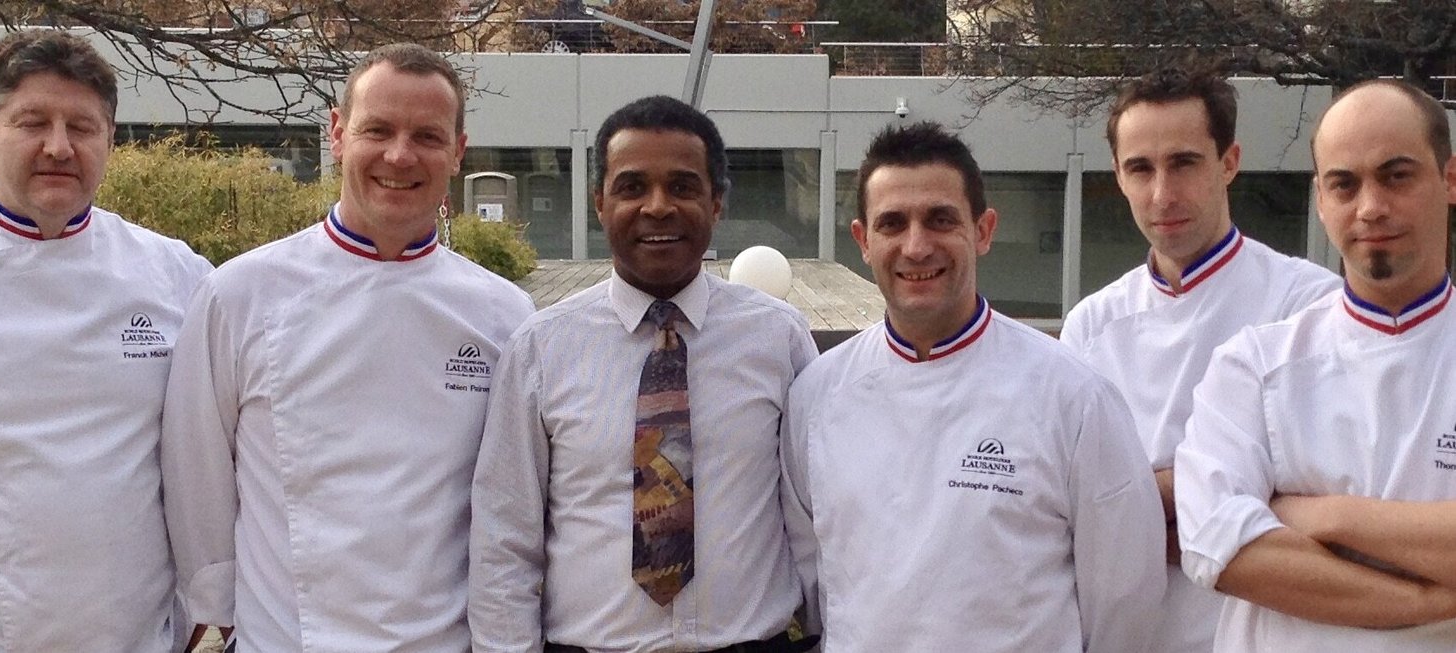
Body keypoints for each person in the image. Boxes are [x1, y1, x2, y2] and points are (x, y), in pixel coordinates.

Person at [160, 43, 534, 652]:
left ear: (458, 152)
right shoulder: (240, 293)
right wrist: (214, 606)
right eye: (377, 130)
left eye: (427, 136)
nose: (400, 156)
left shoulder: (505, 314)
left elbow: (513, 505)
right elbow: (194, 472)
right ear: (337, 134)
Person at [780, 120, 1165, 650]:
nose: (917, 246)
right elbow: (811, 583)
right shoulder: (816, 397)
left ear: (983, 231)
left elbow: (1125, 601)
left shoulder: (1074, 397)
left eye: (940, 220)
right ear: (863, 241)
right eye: (893, 224)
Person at [467, 95, 819, 653]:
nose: (658, 207)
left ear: (717, 202)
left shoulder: (780, 339)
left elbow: (814, 520)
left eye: (682, 186)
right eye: (632, 187)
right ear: (600, 203)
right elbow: (504, 538)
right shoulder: (540, 349)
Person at [1059, 68, 1339, 653]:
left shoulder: (1307, 305)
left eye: (1184, 163)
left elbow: (1321, 505)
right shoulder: (1090, 325)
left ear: (1229, 162)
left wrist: (1130, 507)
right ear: (1118, 175)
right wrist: (1228, 497)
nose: (1162, 194)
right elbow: (1070, 511)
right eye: (1141, 168)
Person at [1175, 79, 1456, 652]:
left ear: (1450, 179)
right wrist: (1427, 601)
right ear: (1321, 200)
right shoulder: (1253, 366)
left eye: (1396, 176)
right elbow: (1219, 547)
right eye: (1344, 184)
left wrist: (1325, 518)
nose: (1370, 207)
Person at [0, 29, 211, 653]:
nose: (59, 147)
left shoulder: (177, 275)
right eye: (32, 123)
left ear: (110, 139)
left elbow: (214, 463)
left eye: (82, 126)